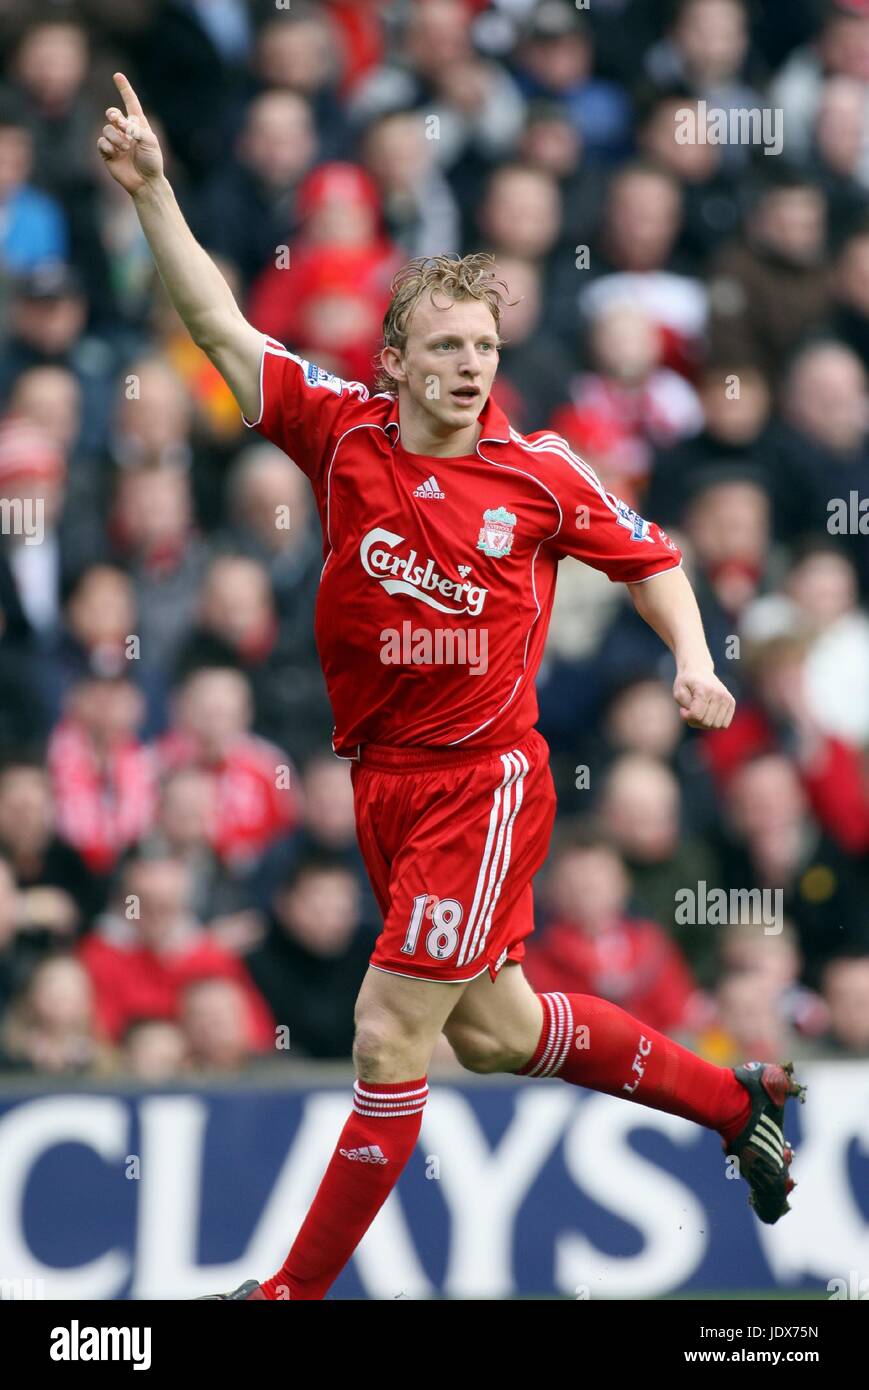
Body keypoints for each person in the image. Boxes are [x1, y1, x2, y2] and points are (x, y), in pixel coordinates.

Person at [97, 74, 805, 1302]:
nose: (469, 367)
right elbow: (218, 326)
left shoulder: (539, 473)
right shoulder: (343, 433)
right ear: (396, 358)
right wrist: (156, 188)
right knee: (491, 1032)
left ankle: (283, 1298)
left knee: (386, 1034)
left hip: (479, 789)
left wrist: (694, 662)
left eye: (484, 347)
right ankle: (732, 1098)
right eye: (445, 347)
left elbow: (656, 562)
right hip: (381, 781)